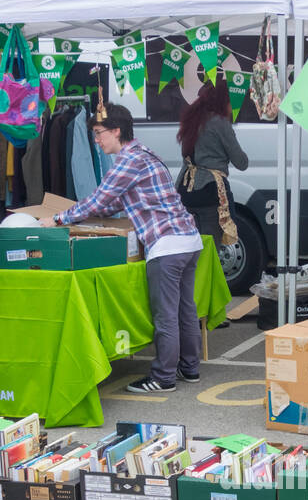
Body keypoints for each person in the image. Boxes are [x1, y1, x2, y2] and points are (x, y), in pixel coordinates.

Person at [56, 105, 203, 394]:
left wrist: (58, 218)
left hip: (166, 245)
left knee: (166, 315)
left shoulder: (127, 161)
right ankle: (190, 368)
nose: (96, 141)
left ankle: (163, 377)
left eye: (99, 134)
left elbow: (99, 199)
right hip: (189, 239)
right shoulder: (145, 154)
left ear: (116, 131)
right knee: (186, 309)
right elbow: (115, 203)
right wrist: (90, 215)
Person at [176, 78, 249, 252]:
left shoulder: (191, 121)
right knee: (210, 253)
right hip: (210, 192)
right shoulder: (219, 123)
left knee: (191, 252)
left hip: (186, 192)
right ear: (224, 100)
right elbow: (241, 162)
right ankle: (207, 280)